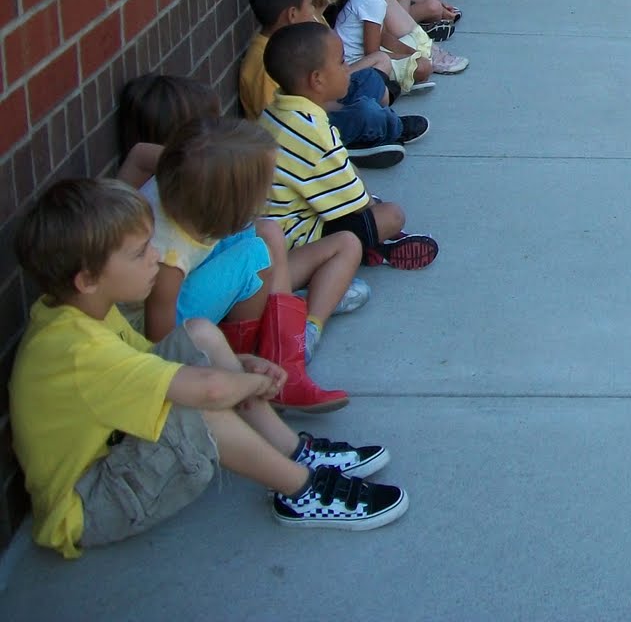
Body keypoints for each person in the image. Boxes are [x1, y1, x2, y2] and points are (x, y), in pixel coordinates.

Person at [9, 177, 406, 557]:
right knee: (198, 409)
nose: (156, 256)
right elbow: (208, 392)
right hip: (88, 504)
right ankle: (302, 491)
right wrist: (246, 382)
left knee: (198, 332)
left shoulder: (77, 311)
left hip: (113, 445)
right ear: (87, 280)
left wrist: (241, 365)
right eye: (138, 252)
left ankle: (294, 451)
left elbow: (149, 360)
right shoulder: (78, 351)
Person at [113, 118, 354, 412]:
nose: (270, 192)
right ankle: (243, 362)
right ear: (230, 201)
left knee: (268, 231)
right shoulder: (168, 261)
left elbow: (138, 154)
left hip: (186, 268)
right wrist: (220, 367)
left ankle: (285, 359)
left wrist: (114, 211)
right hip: (156, 323)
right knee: (255, 255)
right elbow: (161, 343)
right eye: (266, 186)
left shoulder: (187, 170)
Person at [260, 22, 439, 269]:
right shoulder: (314, 133)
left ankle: (375, 245)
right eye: (342, 62)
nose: (348, 68)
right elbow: (359, 202)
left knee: (366, 197)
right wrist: (373, 209)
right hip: (296, 240)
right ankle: (372, 248)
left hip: (272, 228)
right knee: (392, 215)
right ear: (317, 80)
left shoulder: (274, 112)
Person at [241, 0, 425, 165]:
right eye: (309, 4)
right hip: (310, 131)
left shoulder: (290, 42)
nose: (312, 10)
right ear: (292, 15)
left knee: (368, 78)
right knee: (365, 112)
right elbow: (282, 130)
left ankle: (373, 120)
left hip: (320, 103)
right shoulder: (263, 64)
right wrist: (339, 108)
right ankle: (380, 133)